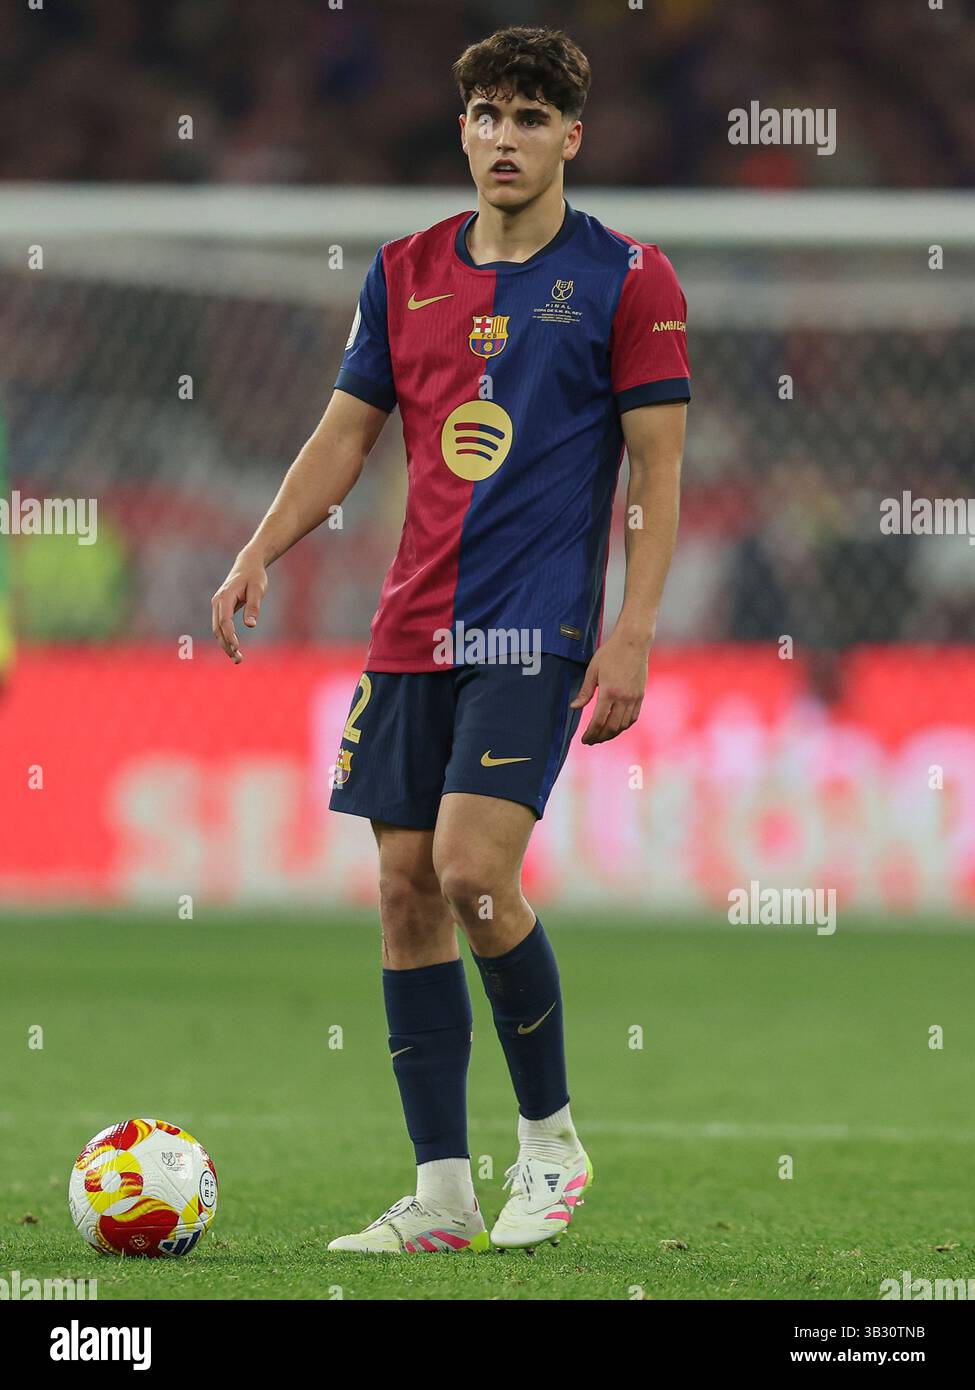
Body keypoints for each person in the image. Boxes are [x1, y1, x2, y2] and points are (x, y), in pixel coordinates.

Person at [212, 25, 690, 1253]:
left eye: (531, 118)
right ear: (461, 128)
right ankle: (439, 1192)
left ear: (571, 138)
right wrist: (265, 541)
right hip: (410, 626)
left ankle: (551, 1144)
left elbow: (656, 473)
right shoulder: (403, 269)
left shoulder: (631, 278)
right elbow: (345, 434)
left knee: (477, 874)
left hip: (534, 629)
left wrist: (633, 630)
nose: (504, 138)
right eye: (486, 114)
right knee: (404, 890)